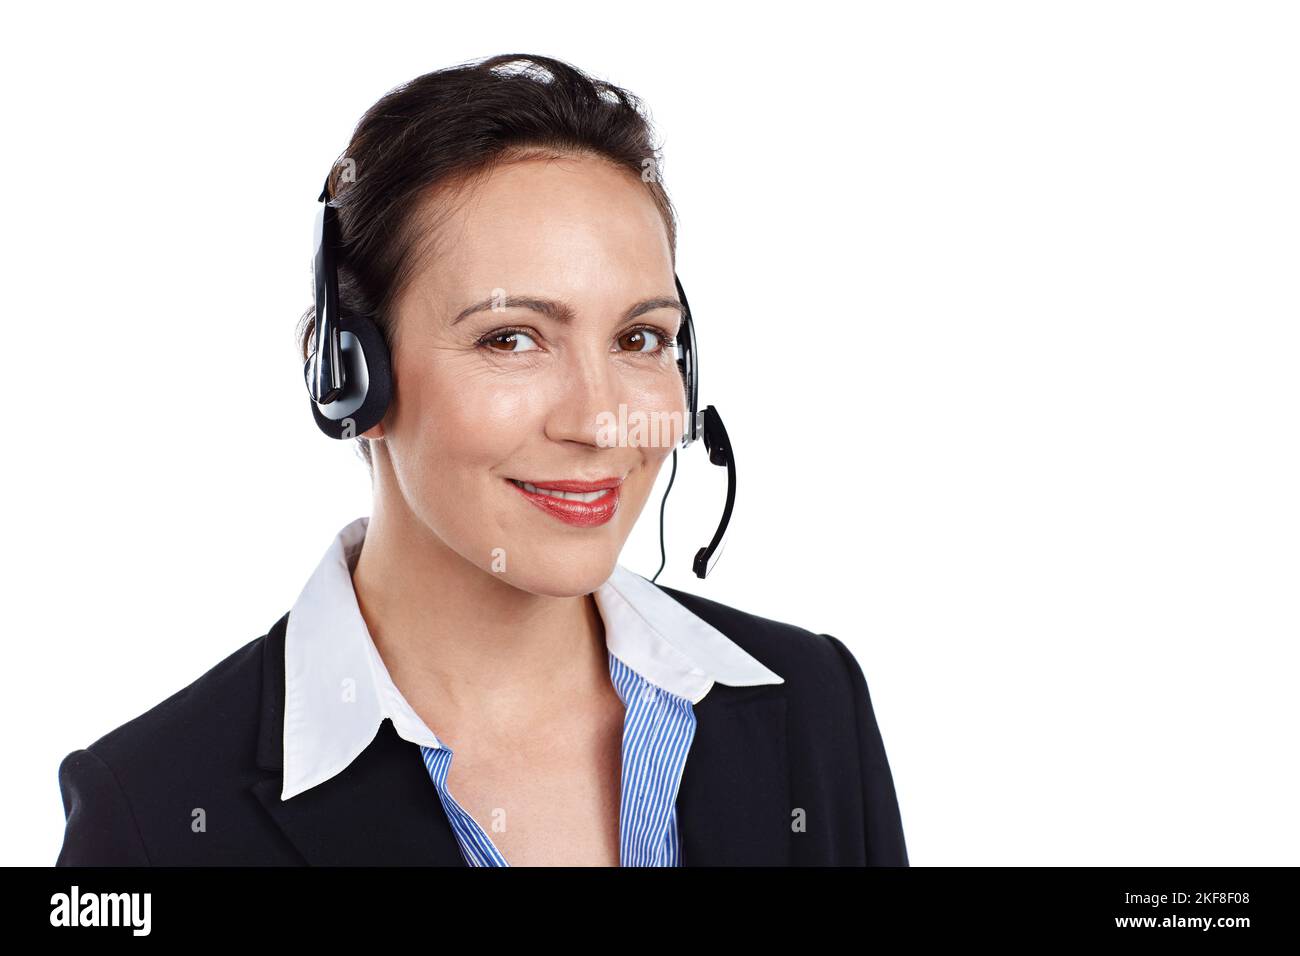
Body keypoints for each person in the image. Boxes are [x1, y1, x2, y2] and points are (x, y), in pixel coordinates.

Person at [55, 53, 908, 867]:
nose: (602, 421)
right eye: (512, 338)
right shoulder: (153, 815)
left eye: (640, 338)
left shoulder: (813, 704)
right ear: (354, 375)